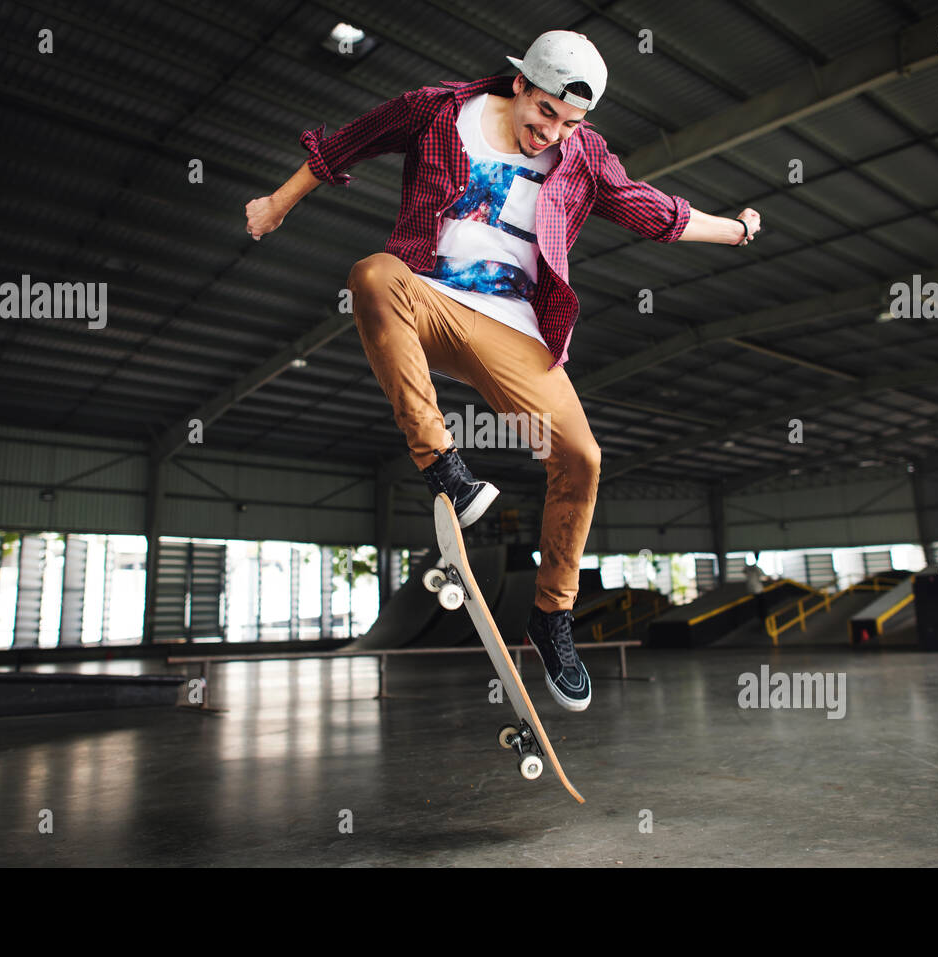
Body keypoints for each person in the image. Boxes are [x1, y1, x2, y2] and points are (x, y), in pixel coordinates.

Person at [245, 31, 763, 712]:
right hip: (427, 297)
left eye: (570, 123)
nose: (552, 133)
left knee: (581, 456)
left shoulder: (581, 155)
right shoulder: (434, 111)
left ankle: (552, 618)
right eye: (546, 112)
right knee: (372, 275)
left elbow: (651, 211)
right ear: (520, 83)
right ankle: (447, 474)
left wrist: (738, 229)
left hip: (514, 327)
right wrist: (277, 203)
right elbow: (345, 145)